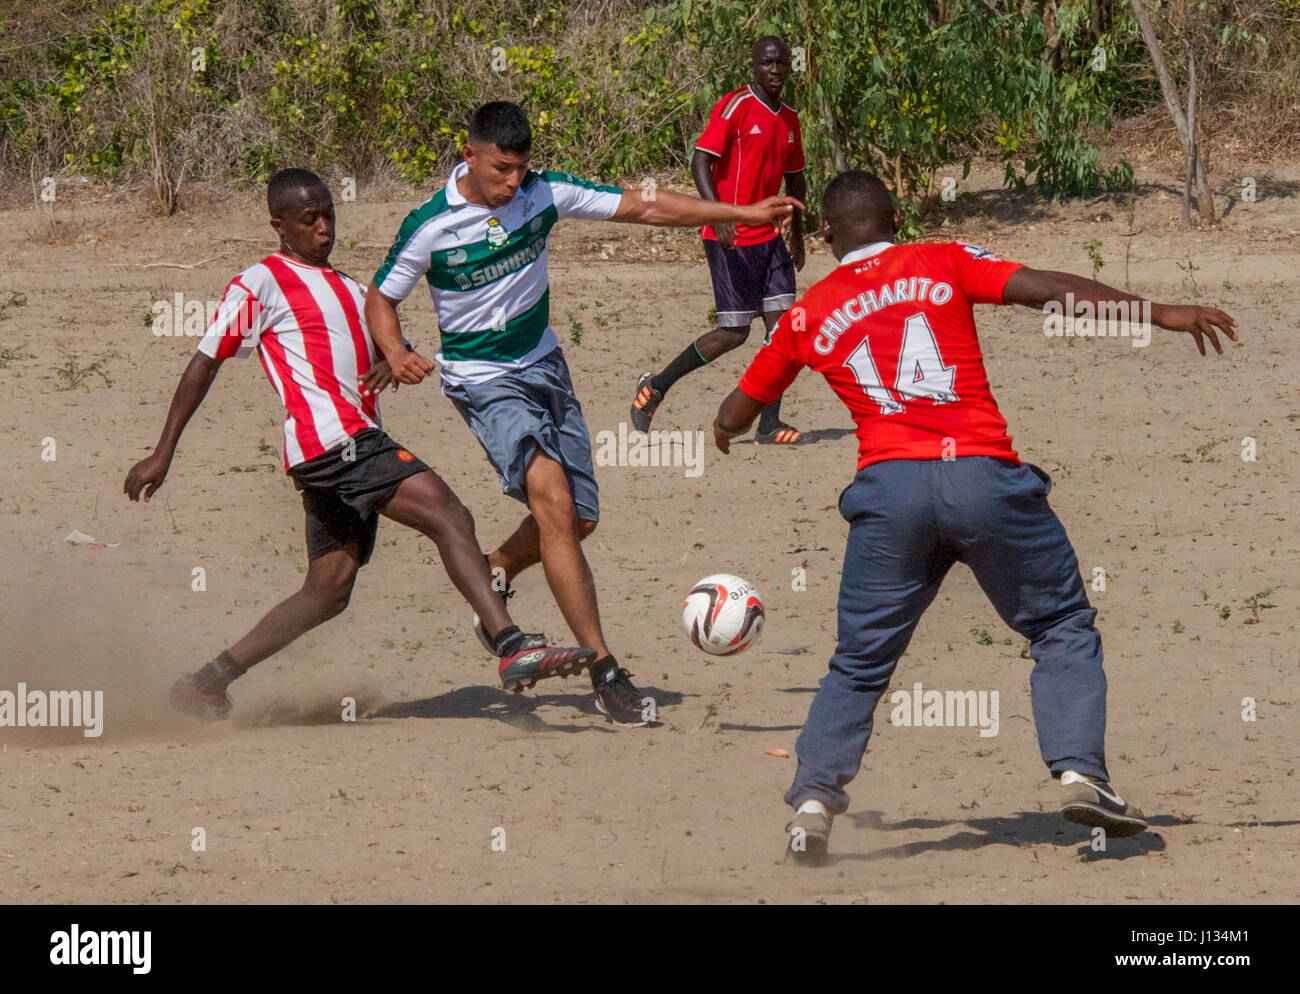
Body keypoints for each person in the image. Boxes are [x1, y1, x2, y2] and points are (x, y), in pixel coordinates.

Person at [712, 169, 1238, 864]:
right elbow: (1051, 290)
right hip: (984, 478)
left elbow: (738, 410)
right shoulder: (944, 258)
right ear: (896, 217)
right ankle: (1080, 774)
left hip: (889, 494)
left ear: (827, 234)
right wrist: (1159, 311)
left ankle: (812, 805)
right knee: (1059, 624)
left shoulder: (810, 312)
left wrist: (724, 423)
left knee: (861, 663)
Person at [365, 101, 801, 726]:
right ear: (469, 155)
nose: (513, 182)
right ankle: (605, 671)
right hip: (483, 379)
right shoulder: (430, 225)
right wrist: (396, 348)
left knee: (578, 521)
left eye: (520, 169)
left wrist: (741, 211)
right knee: (555, 503)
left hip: (546, 366)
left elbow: (646, 204)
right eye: (500, 169)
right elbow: (381, 296)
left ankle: (493, 572)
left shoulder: (544, 193)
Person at [124, 169, 595, 719]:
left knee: (329, 589)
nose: (324, 228)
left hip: (342, 449)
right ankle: (510, 644)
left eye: (329, 214)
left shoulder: (351, 288)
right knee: (448, 513)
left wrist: (394, 361)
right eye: (309, 220)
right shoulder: (261, 282)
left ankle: (205, 683)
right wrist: (164, 451)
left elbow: (378, 347)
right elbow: (205, 360)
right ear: (279, 225)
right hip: (335, 444)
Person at [631, 35, 807, 445]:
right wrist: (718, 214)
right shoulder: (736, 106)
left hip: (770, 237)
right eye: (768, 63)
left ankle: (769, 423)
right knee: (734, 332)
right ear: (753, 65)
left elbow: (796, 177)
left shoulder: (790, 118)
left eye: (782, 63)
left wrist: (798, 231)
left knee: (782, 332)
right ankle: (656, 386)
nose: (776, 70)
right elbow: (700, 161)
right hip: (729, 236)